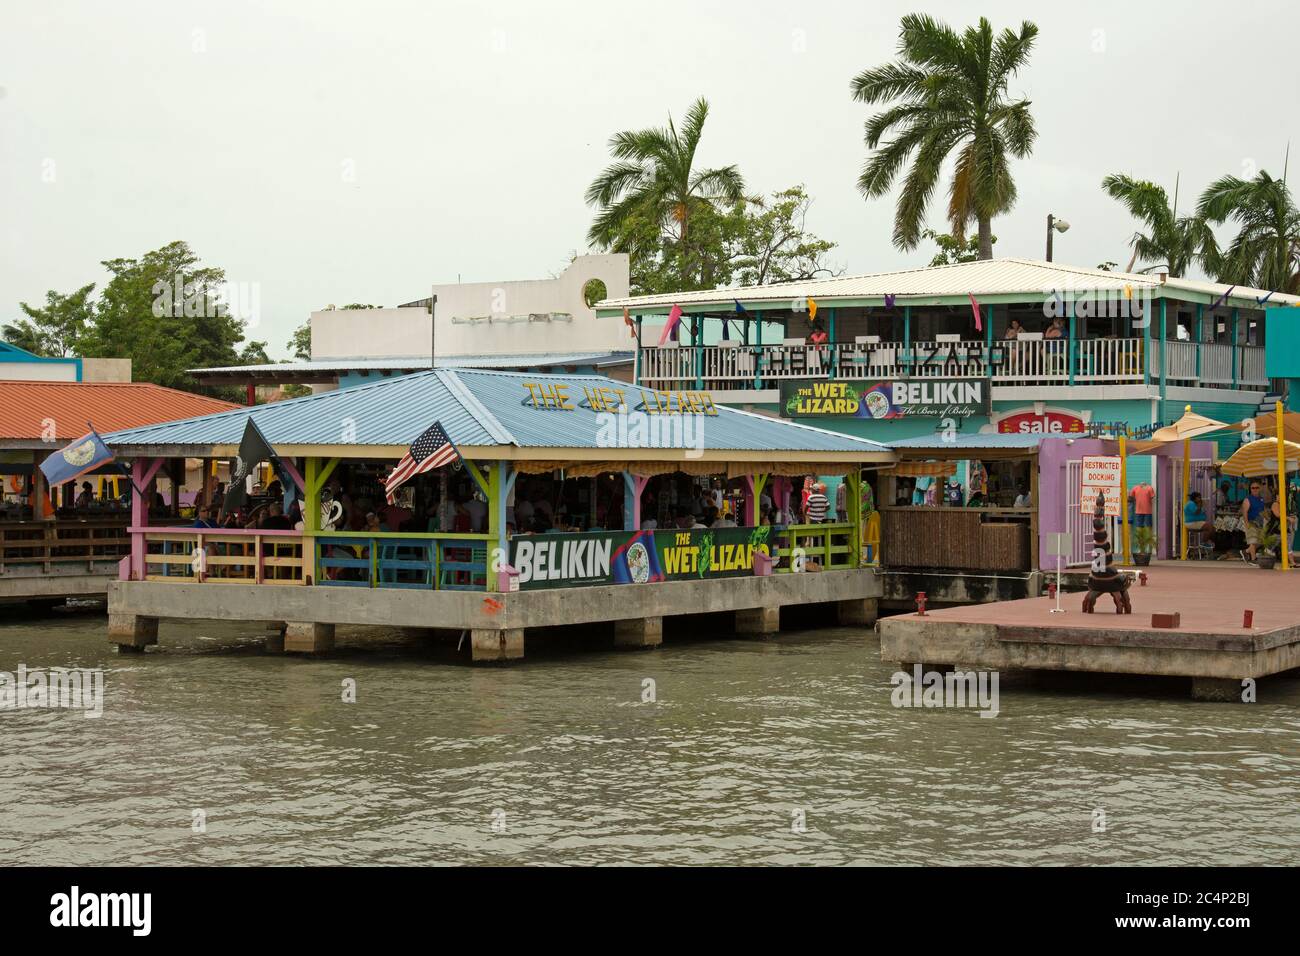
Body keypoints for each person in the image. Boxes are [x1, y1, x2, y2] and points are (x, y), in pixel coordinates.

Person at [1240, 480, 1268, 564]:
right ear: (1250, 489)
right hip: (1251, 522)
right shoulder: (1248, 499)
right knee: (1253, 541)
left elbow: (1263, 511)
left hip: (1259, 523)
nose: (1255, 489)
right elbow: (1244, 512)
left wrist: (1267, 518)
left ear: (1260, 488)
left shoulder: (1261, 499)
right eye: (1253, 488)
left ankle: (1246, 551)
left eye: (1257, 487)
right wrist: (1247, 523)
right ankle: (1253, 559)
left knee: (1260, 542)